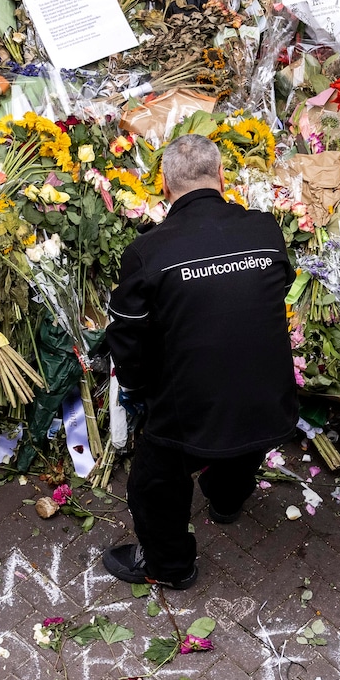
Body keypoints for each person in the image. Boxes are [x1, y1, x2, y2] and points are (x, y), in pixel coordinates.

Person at [102, 134, 297, 590]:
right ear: (222, 178)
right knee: (241, 447)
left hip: (191, 406)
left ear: (165, 188)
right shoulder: (265, 229)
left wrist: (136, 389)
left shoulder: (149, 252)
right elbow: (276, 291)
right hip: (268, 396)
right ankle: (226, 502)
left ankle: (171, 567)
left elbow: (127, 334)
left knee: (153, 484)